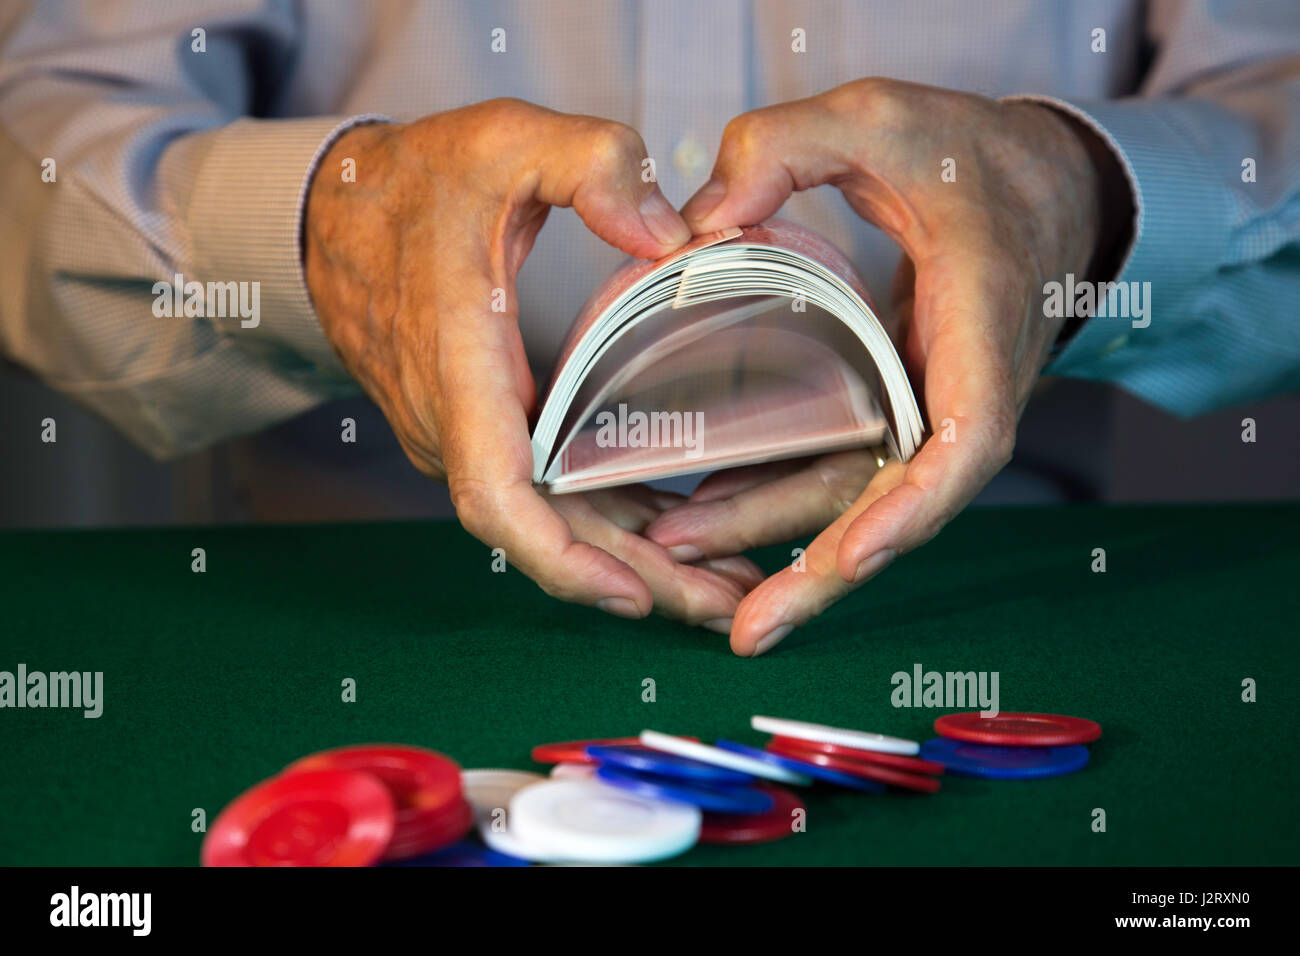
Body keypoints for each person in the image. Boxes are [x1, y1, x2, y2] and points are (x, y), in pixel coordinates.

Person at [1, 1, 1297, 656]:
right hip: (361, 599)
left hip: (995, 594)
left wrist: (1074, 184)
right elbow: (42, 131)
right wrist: (321, 228)